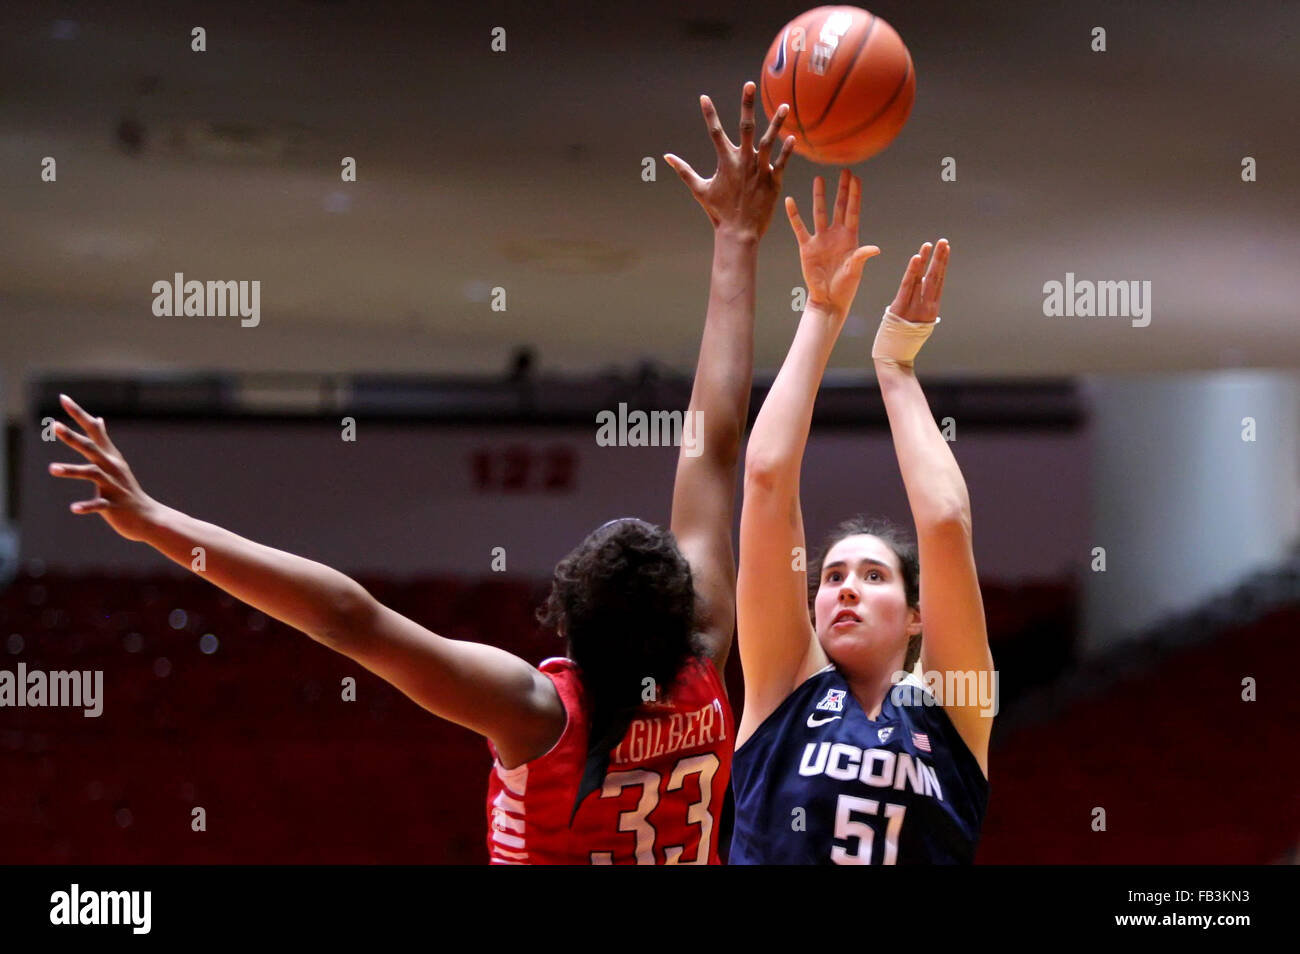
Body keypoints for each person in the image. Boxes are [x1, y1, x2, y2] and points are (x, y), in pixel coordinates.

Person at [47, 83, 793, 865]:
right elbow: (713, 448)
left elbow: (347, 617)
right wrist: (740, 238)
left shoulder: (537, 712)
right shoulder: (702, 666)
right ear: (684, 614)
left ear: (565, 620)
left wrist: (153, 520)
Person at [729, 169, 993, 864]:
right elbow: (764, 479)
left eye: (874, 575)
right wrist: (820, 315)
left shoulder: (956, 709)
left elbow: (942, 523)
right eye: (833, 575)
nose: (844, 585)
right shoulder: (784, 684)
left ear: (916, 615)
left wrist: (897, 365)